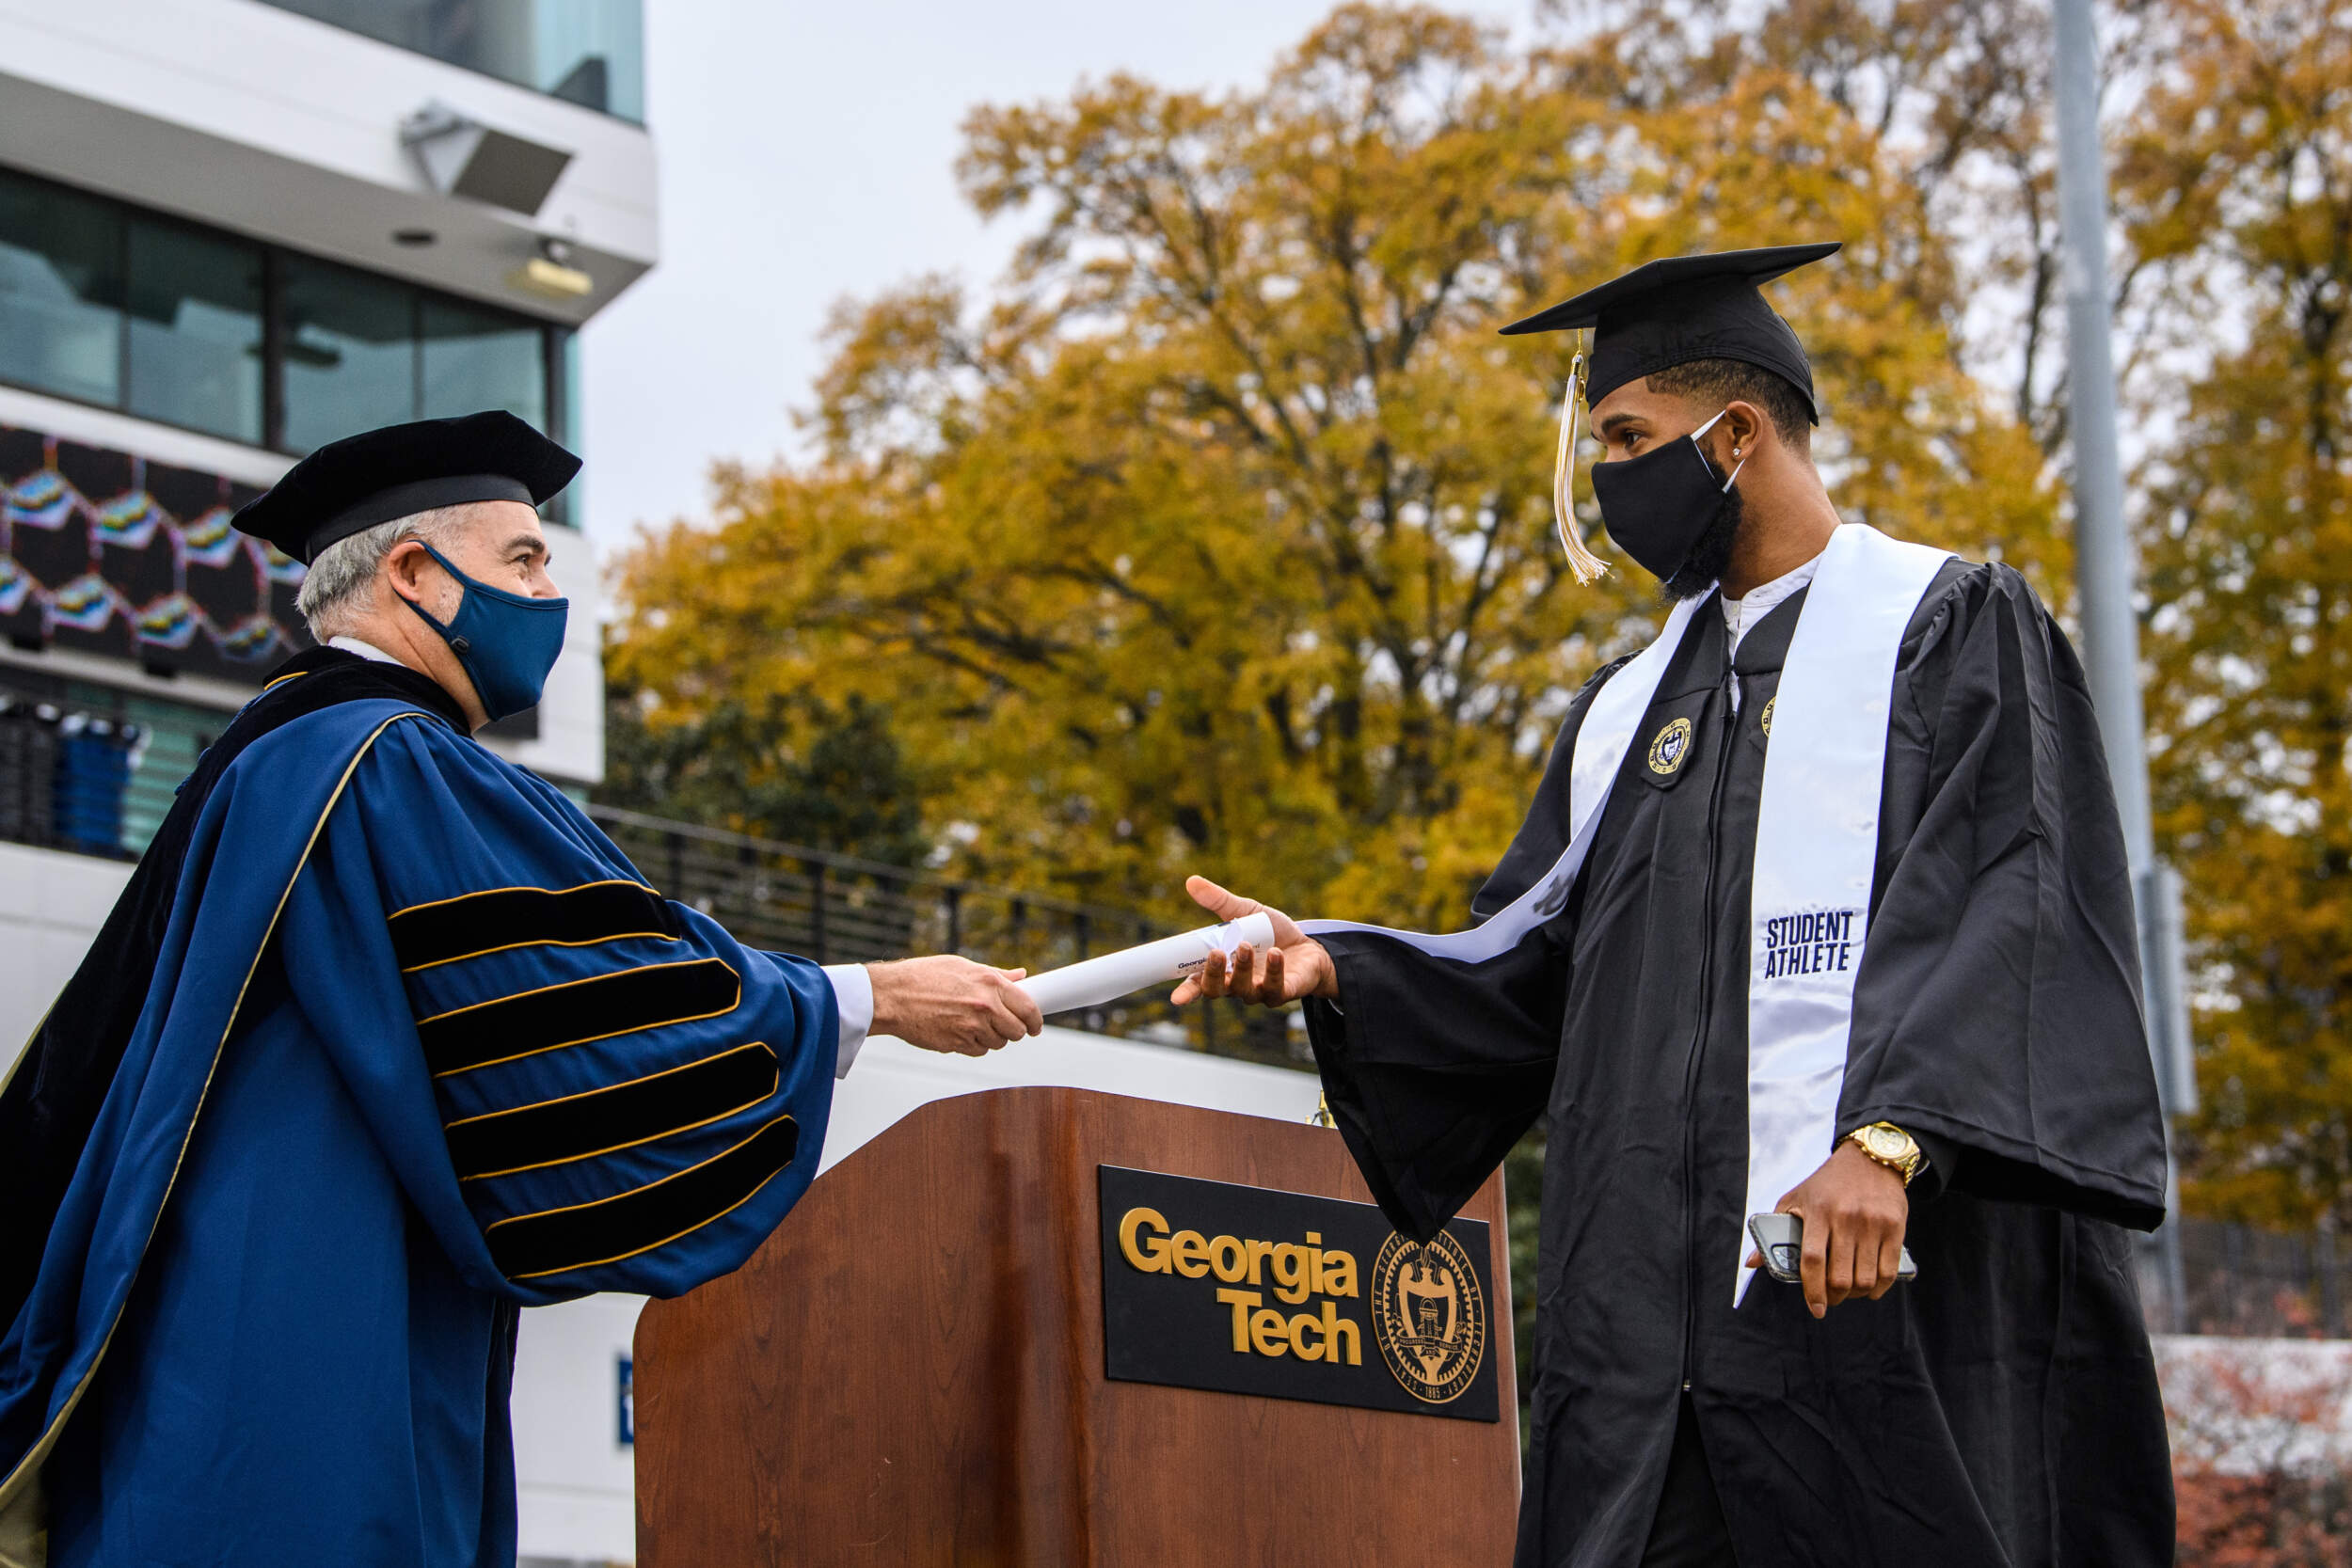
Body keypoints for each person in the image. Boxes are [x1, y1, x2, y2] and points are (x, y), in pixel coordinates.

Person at [1177, 245, 2175, 1567]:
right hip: (1650, 1355)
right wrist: (1341, 969)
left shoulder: (1945, 629)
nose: (1608, 482)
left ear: (1738, 432)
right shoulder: (1624, 712)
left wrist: (1893, 1140)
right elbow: (1529, 966)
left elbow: (2021, 895)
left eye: (1631, 439)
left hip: (1881, 1317)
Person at [0, 412, 1045, 1567]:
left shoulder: (273, 756)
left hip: (230, 1318)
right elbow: (591, 994)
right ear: (413, 573)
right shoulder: (384, 761)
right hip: (307, 1326)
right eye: (524, 559)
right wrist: (867, 995)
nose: (551, 592)